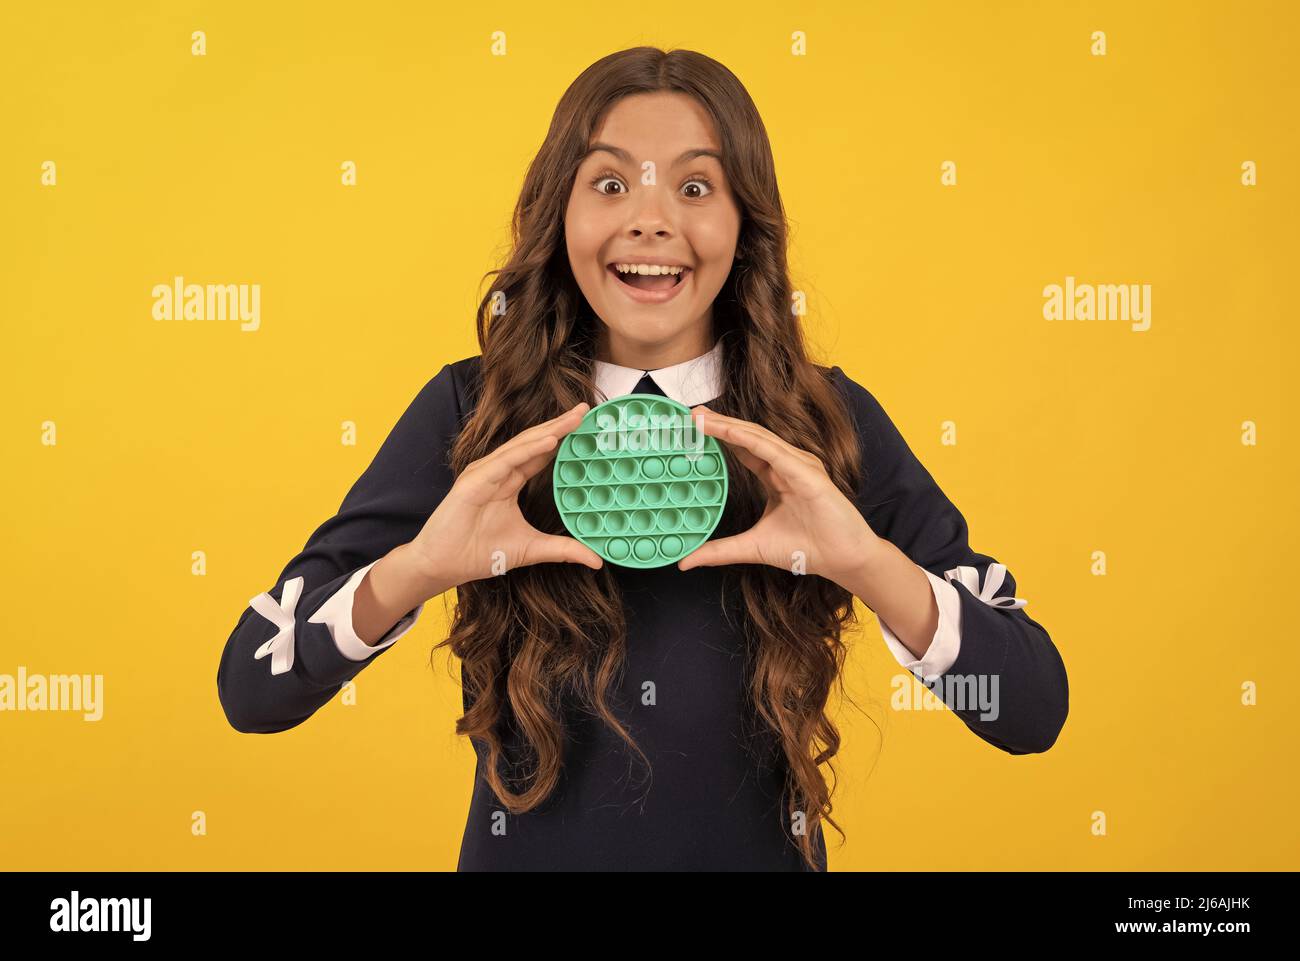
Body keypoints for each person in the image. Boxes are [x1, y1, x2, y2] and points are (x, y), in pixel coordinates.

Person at [217, 46, 1068, 872]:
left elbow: (1031, 706)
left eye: (696, 186)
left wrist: (869, 564)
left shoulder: (823, 422)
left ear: (746, 223)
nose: (651, 218)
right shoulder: (474, 413)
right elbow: (252, 687)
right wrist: (416, 568)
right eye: (611, 183)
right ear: (563, 212)